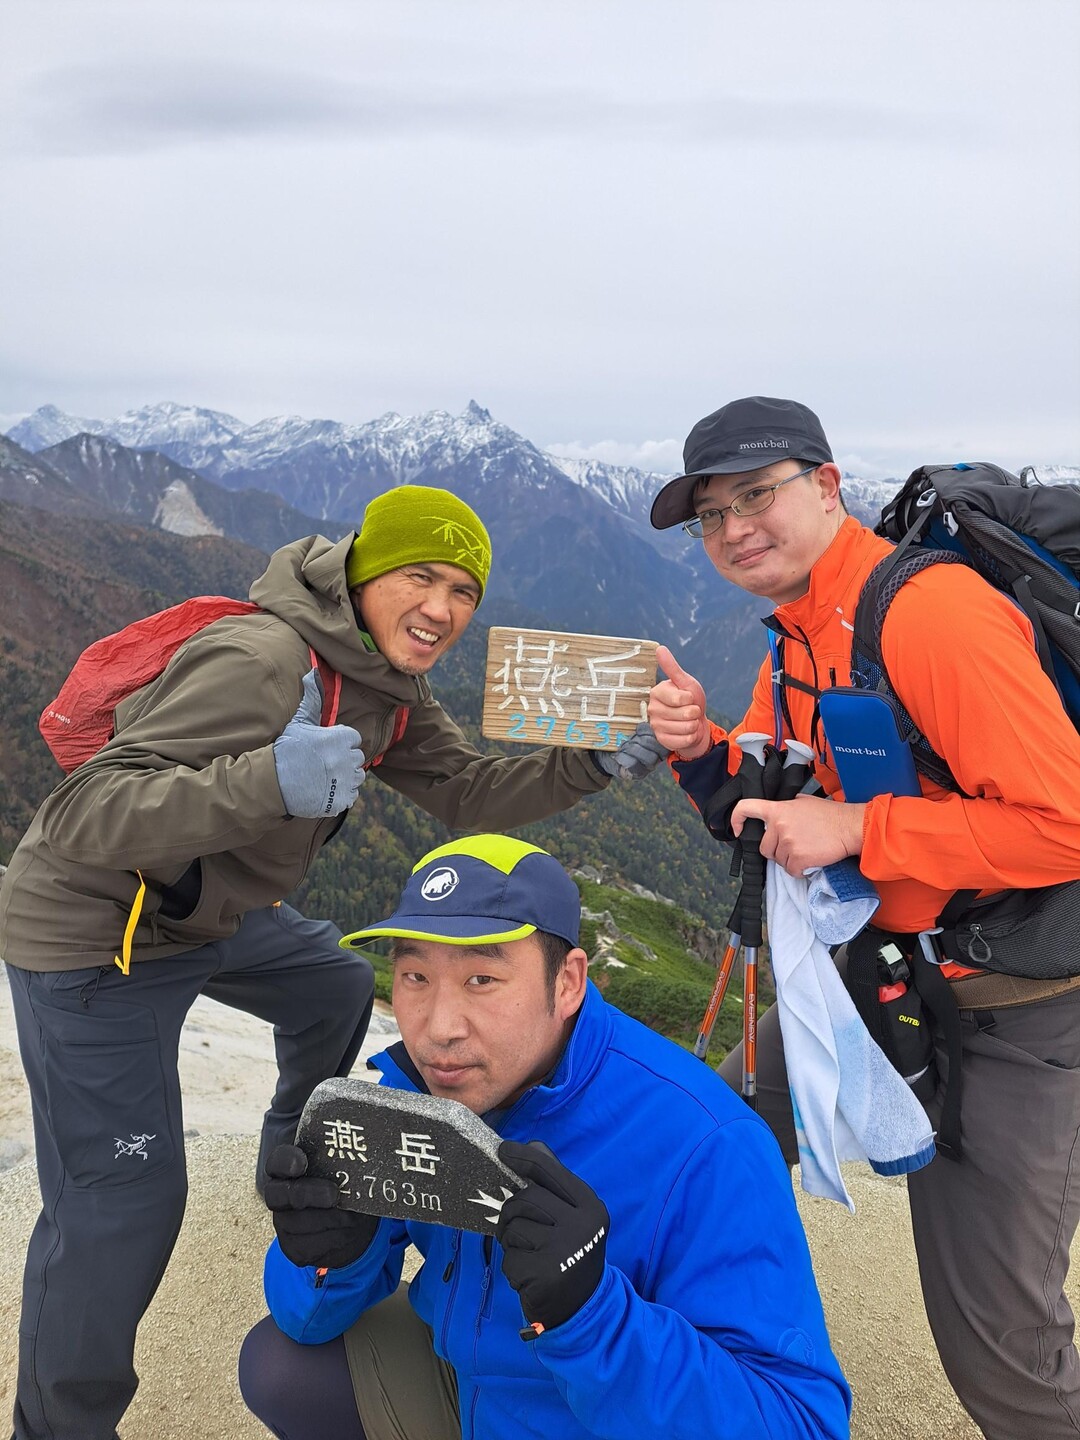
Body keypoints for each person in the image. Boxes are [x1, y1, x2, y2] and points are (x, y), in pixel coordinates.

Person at [0, 484, 665, 1440]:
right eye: (419, 577)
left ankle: (293, 1157)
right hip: (97, 932)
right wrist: (264, 779)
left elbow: (466, 790)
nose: (442, 608)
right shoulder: (263, 661)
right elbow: (81, 817)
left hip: (199, 914)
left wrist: (595, 763)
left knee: (334, 983)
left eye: (464, 590)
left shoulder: (383, 680)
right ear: (361, 571)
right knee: (122, 1204)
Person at [646, 395, 1080, 1440]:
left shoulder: (928, 614)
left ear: (829, 487)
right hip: (881, 973)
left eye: (756, 496)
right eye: (710, 516)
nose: (733, 530)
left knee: (1003, 1355)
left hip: (1015, 1008)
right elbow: (769, 798)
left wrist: (862, 831)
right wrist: (699, 747)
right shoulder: (799, 635)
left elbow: (1065, 823)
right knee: (701, 1147)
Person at [239, 832, 851, 1440]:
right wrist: (334, 1258)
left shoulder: (707, 1141)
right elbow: (307, 1320)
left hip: (604, 1416)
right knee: (282, 1365)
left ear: (567, 983)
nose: (438, 1030)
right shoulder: (413, 1090)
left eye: (482, 979)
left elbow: (804, 1423)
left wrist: (593, 1316)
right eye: (415, 976)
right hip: (470, 1387)